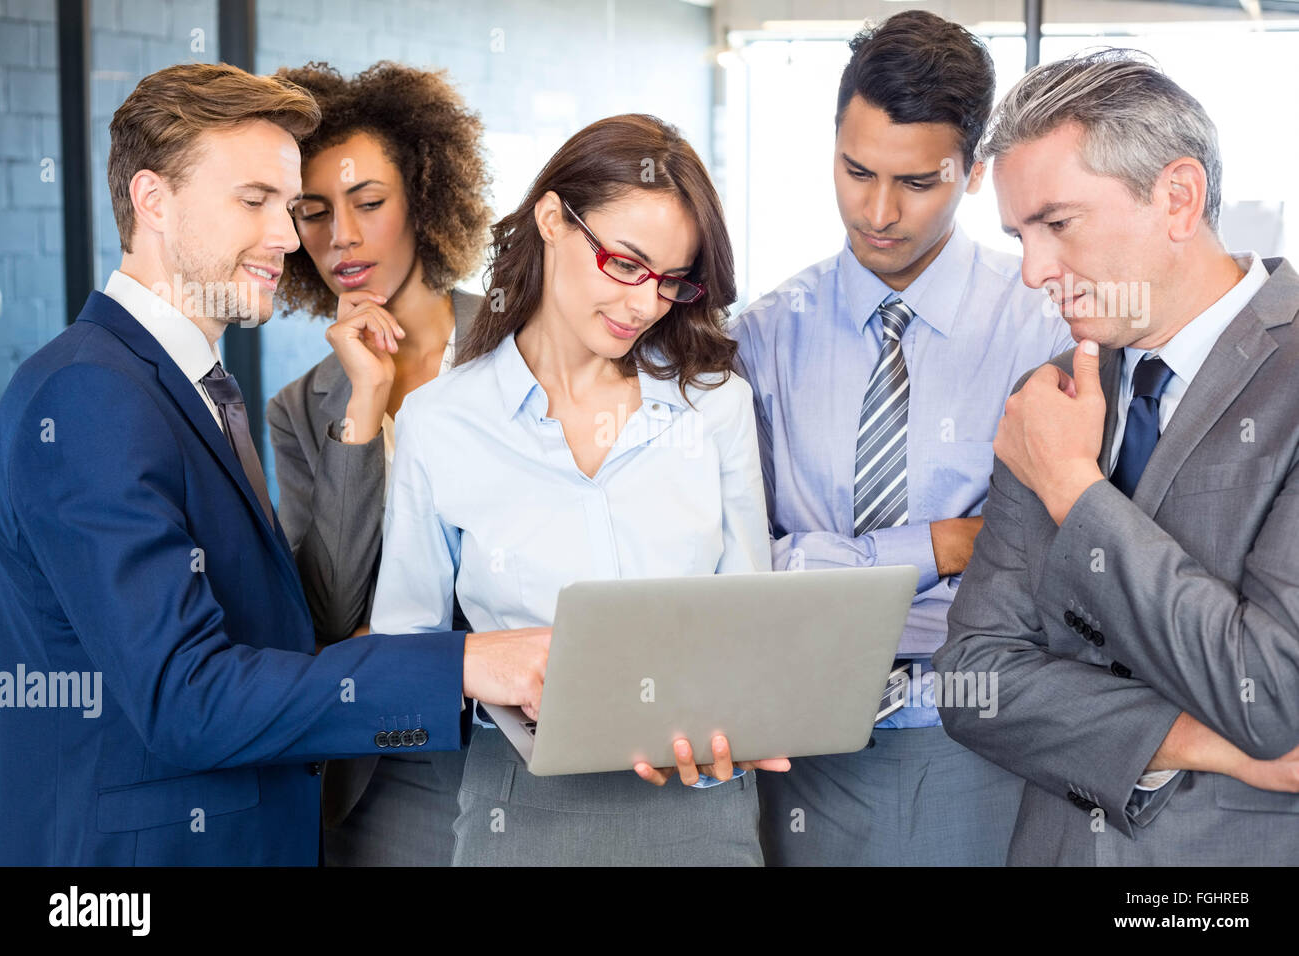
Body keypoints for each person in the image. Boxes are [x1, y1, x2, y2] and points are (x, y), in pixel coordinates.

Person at [0, 62, 547, 866]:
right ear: (152, 201)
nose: (294, 240)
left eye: (287, 209)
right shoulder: (93, 392)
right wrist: (460, 663)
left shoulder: (185, 387)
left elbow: (274, 629)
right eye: (254, 202)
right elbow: (186, 698)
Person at [370, 113, 790, 866]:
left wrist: (738, 725)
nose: (643, 305)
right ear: (553, 218)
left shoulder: (716, 404)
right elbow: (403, 656)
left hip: (699, 808)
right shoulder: (441, 420)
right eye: (625, 265)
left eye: (669, 281)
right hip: (521, 812)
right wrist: (486, 665)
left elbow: (748, 617)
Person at [933, 49, 1299, 866]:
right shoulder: (1053, 396)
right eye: (1019, 235)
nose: (1033, 272)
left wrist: (1071, 486)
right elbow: (974, 679)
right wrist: (1207, 743)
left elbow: (1274, 695)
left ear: (1177, 198)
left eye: (1057, 224)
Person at [732, 11, 1073, 866]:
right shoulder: (764, 336)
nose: (878, 212)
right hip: (793, 742)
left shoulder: (1044, 328)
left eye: (917, 183)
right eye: (855, 172)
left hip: (981, 738)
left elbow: (1045, 562)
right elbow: (737, 565)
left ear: (973, 173)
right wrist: (941, 545)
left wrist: (835, 559)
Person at [266, 62, 491, 867]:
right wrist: (364, 408)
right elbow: (327, 611)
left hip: (523, 743)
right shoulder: (302, 408)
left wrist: (393, 638)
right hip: (385, 772)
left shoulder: (527, 343)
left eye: (368, 204)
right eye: (315, 214)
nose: (342, 239)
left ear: (424, 202)